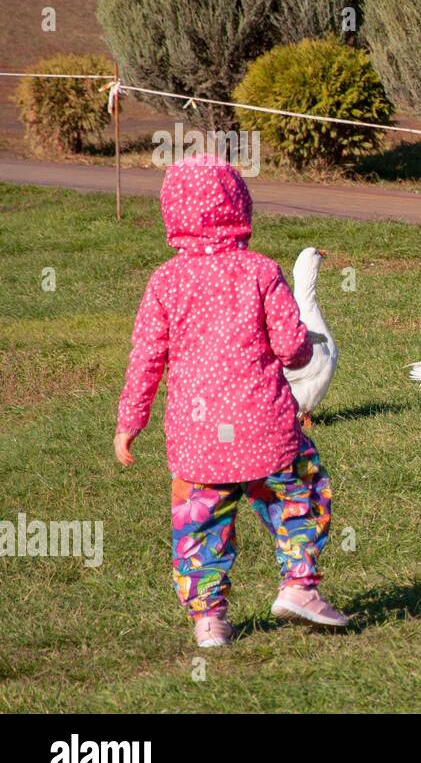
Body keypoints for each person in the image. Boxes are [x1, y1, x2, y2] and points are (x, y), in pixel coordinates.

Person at [114, 155, 348, 646]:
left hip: (198, 442)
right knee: (300, 495)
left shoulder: (165, 282)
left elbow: (146, 358)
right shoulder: (262, 272)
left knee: (199, 528)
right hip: (266, 428)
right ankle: (299, 586)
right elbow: (291, 347)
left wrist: (129, 422)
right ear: (241, 206)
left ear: (171, 215)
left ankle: (209, 619)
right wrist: (303, 351)